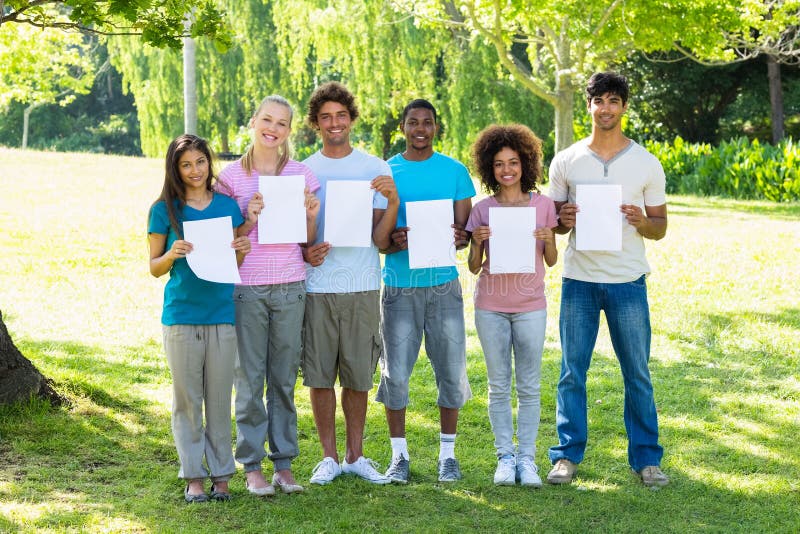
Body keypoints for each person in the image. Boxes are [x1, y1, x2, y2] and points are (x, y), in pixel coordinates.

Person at [546, 72, 669, 487]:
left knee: (637, 372)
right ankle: (566, 456)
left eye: (614, 100)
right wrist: (563, 220)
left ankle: (647, 460)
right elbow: (555, 223)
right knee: (571, 372)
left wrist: (641, 221)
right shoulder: (567, 160)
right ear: (589, 106)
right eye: (599, 100)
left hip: (627, 281)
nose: (606, 108)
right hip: (579, 280)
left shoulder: (645, 163)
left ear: (624, 107)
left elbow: (660, 227)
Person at [217, 95, 320, 496]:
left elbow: (307, 240)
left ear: (289, 131)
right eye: (267, 120)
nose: (272, 128)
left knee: (283, 378)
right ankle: (251, 465)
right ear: (253, 122)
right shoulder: (229, 178)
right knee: (249, 378)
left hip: (291, 286)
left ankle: (284, 464)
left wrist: (310, 215)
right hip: (247, 289)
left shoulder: (301, 175)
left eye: (281, 123)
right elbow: (226, 239)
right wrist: (248, 220)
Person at [300, 81, 399, 485]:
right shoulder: (304, 170)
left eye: (341, 115)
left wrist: (393, 202)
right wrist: (307, 251)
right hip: (317, 286)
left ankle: (355, 455)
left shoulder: (375, 168)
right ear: (316, 123)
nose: (334, 123)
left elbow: (380, 240)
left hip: (362, 283)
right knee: (320, 375)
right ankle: (328, 457)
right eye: (326, 117)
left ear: (352, 118)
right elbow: (297, 236)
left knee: (359, 375)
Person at [148, 134, 251, 503]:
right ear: (175, 169)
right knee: (188, 401)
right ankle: (193, 475)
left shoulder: (227, 207)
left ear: (209, 163)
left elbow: (232, 263)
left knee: (219, 400)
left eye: (200, 162)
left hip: (221, 315)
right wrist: (171, 254)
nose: (195, 170)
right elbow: (154, 268)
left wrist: (242, 249)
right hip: (181, 316)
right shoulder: (164, 210)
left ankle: (222, 476)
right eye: (186, 164)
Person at [377, 99, 475, 484]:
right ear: (402, 127)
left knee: (451, 371)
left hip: (443, 286)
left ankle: (448, 455)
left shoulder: (455, 171)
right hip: (399, 287)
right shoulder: (386, 172)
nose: (420, 128)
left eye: (427, 122)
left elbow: (463, 235)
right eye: (413, 122)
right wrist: (394, 241)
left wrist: (461, 237)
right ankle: (399, 456)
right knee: (396, 374)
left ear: (436, 127)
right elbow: (379, 240)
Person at [466, 124, 557, 487]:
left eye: (514, 162)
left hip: (531, 305)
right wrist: (477, 242)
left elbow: (551, 259)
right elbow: (474, 266)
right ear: (490, 168)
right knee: (499, 385)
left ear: (526, 164)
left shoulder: (542, 205)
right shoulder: (482, 209)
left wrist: (550, 238)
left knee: (530, 386)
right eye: (500, 164)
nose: (507, 170)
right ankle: (505, 458)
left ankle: (528, 460)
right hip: (491, 305)